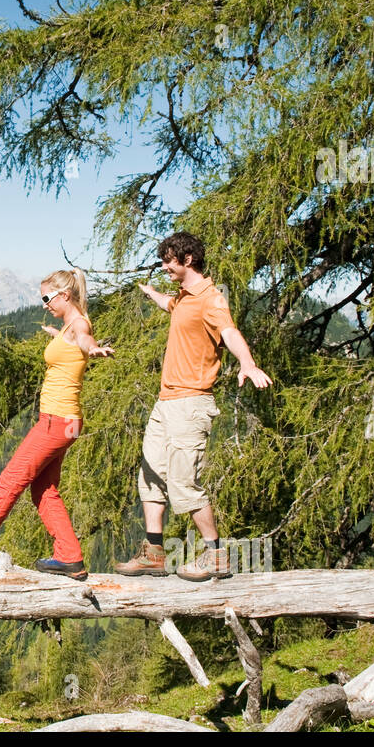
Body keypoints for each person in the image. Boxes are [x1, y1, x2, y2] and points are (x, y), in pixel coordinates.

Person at [0, 268, 113, 580]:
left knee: (10, 481)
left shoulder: (80, 325)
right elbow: (73, 345)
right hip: (66, 421)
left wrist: (93, 348)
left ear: (64, 295)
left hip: (57, 422)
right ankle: (70, 557)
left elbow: (84, 340)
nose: (44, 304)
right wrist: (58, 338)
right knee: (44, 490)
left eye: (47, 298)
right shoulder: (70, 324)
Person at [115, 232, 272, 581]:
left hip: (191, 402)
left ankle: (216, 556)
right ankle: (154, 553)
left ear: (188, 260)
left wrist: (247, 363)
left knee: (185, 483)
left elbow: (229, 332)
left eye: (169, 261)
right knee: (151, 476)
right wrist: (153, 294)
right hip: (165, 403)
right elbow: (171, 307)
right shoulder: (183, 297)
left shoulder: (211, 299)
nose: (164, 267)